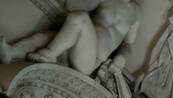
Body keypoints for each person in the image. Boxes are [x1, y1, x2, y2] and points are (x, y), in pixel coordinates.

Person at [0, 0, 140, 77]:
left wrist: (122, 57)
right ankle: (11, 52)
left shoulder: (136, 12)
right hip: (78, 40)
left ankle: (49, 54)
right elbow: (72, 5)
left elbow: (128, 44)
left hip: (91, 59)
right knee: (42, 37)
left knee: (81, 20)